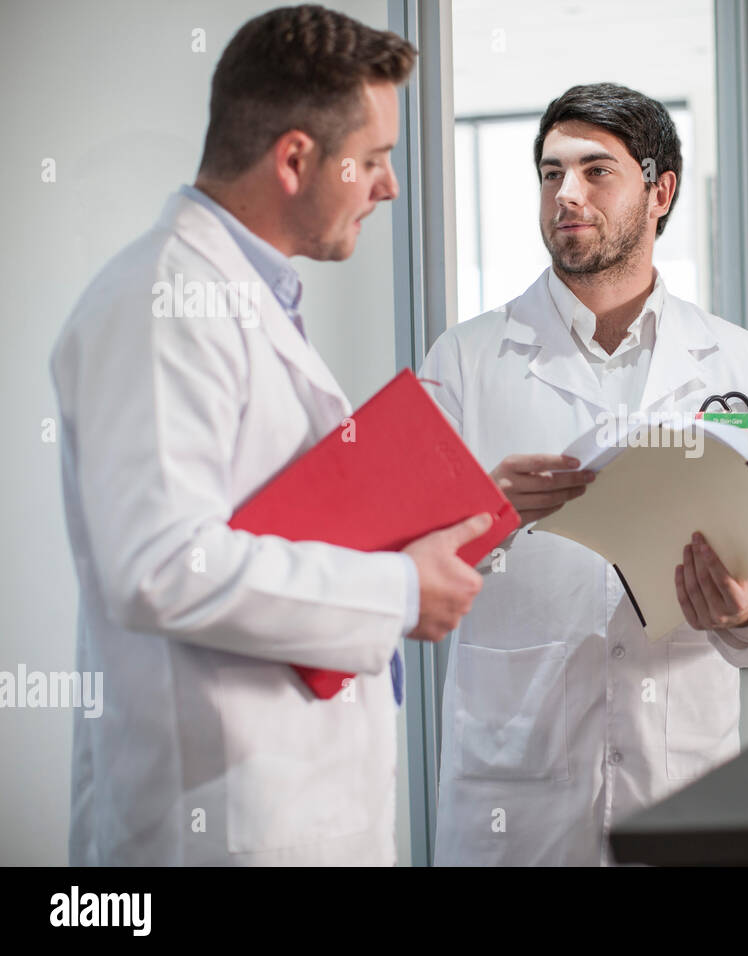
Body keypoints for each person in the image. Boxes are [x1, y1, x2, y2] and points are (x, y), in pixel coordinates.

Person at [50, 4, 486, 865]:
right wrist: (397, 591)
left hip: (285, 808)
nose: (389, 187)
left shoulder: (245, 300)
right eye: (376, 161)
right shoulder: (161, 303)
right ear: (295, 159)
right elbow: (163, 567)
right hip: (218, 826)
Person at [420, 82, 748, 865]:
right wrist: (486, 510)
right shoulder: (466, 360)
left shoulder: (736, 360)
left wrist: (745, 605)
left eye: (594, 171)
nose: (566, 194)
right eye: (550, 173)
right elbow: (401, 557)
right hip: (516, 786)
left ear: (659, 190)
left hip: (679, 770)